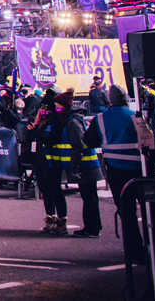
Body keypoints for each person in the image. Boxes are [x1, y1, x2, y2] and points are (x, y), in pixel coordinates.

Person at [87, 85, 155, 257]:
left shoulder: (99, 119)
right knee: (152, 211)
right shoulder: (136, 117)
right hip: (141, 171)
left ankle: (135, 251)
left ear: (109, 100)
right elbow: (152, 145)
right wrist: (154, 166)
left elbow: (90, 142)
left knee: (126, 212)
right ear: (126, 101)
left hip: (116, 172)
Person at [58, 90, 103, 237]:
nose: (56, 109)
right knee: (89, 197)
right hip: (86, 165)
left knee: (89, 197)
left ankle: (92, 228)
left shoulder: (72, 121)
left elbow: (78, 145)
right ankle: (94, 226)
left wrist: (74, 167)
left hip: (86, 166)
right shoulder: (73, 119)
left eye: (58, 106)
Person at [38, 89, 73, 235]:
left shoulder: (57, 122)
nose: (43, 111)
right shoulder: (41, 121)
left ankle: (62, 220)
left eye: (46, 108)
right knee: (45, 191)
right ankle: (50, 218)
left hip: (52, 161)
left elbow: (50, 141)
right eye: (42, 108)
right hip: (39, 159)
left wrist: (36, 132)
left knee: (55, 191)